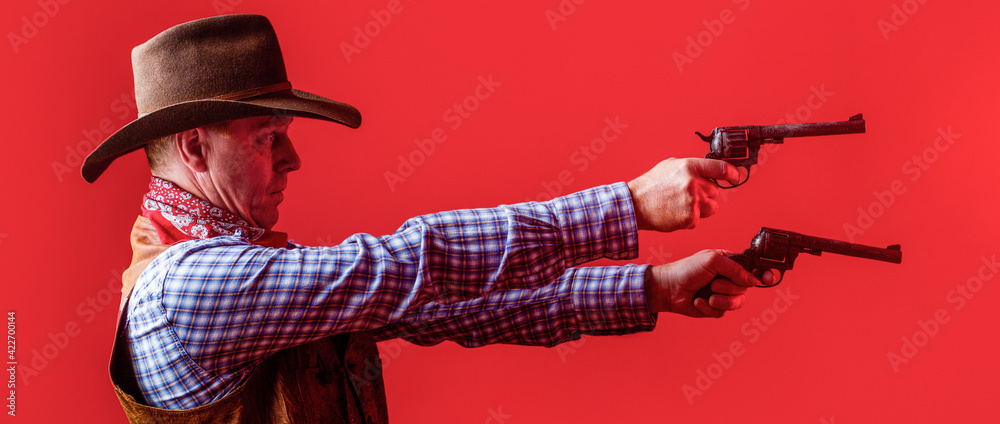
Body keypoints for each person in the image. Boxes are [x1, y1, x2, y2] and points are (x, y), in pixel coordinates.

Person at [84, 14, 773, 423]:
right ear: (195, 148)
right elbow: (411, 265)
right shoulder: (188, 291)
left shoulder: (241, 270)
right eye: (269, 138)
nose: (292, 159)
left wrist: (652, 288)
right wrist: (625, 206)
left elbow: (452, 307)